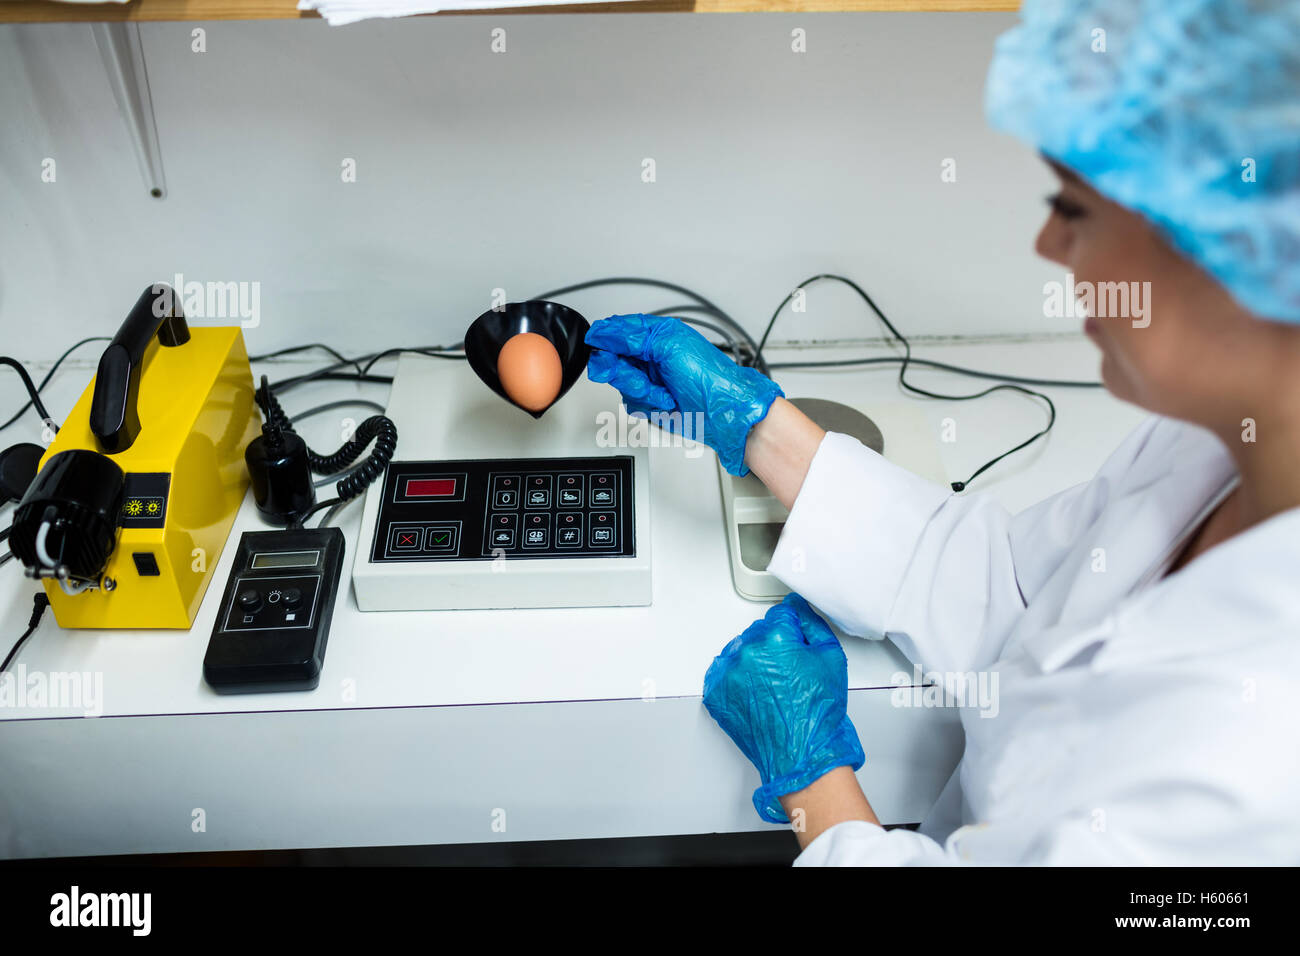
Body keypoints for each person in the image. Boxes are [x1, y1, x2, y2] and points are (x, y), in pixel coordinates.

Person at [583, 0, 1300, 864]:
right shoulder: (1213, 453)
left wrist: (814, 782)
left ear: (1228, 248)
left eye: (1073, 208)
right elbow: (1012, 589)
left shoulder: (1258, 779)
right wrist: (759, 426)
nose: (1045, 244)